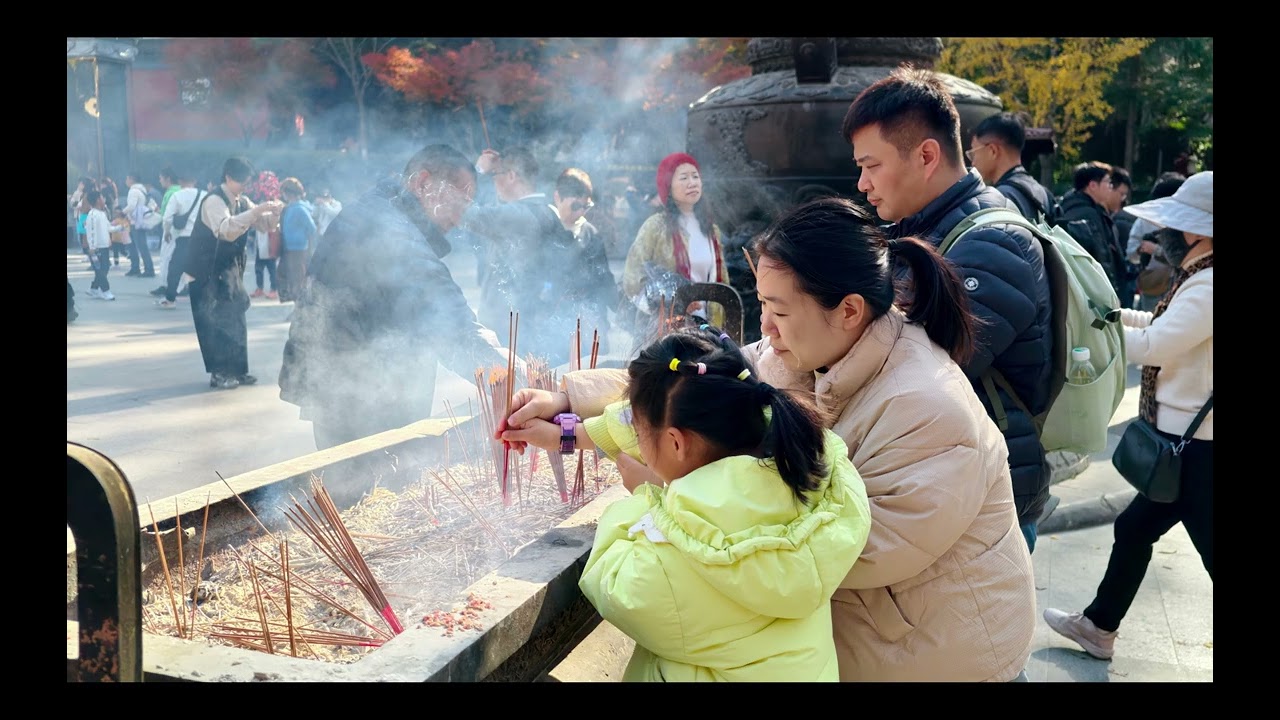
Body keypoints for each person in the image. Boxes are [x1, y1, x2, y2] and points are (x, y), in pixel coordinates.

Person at [500, 196, 1037, 682]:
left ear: (848, 310)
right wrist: (567, 413)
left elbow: (819, 553)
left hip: (939, 660)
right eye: (762, 304)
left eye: (779, 311)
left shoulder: (928, 407)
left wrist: (663, 500)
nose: (767, 328)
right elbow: (691, 389)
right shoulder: (803, 353)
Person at [507, 324, 872, 681]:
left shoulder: (667, 571)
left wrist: (646, 497)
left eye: (638, 432)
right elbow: (676, 417)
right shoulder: (810, 468)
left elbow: (611, 580)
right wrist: (565, 432)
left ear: (676, 443)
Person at [841, 66, 1054, 554]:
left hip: (984, 499)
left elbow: (910, 369)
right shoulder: (924, 228)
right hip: (945, 483)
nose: (861, 183)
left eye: (871, 165)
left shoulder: (994, 243)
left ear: (927, 155)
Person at [1044, 171, 1213, 661]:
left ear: (1197, 233)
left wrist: (1088, 338)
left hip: (1194, 448)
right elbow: (1159, 325)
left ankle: (1097, 626)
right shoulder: (1197, 277)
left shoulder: (1206, 285)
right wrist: (1112, 314)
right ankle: (1098, 627)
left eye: (1175, 229)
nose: (1167, 237)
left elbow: (1155, 345)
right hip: (1186, 444)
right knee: (1134, 529)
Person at [278, 144, 515, 451]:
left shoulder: (382, 210)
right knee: (369, 487)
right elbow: (449, 321)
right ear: (423, 183)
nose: (458, 219)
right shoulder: (386, 227)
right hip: (357, 394)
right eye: (458, 202)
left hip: (354, 384)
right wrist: (517, 386)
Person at [182, 156, 283, 390]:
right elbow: (226, 230)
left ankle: (238, 369)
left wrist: (274, 213)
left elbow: (265, 225)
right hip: (205, 271)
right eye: (242, 182)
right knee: (213, 322)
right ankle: (219, 373)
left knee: (235, 317)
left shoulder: (242, 201)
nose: (245, 187)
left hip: (229, 270)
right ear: (228, 177)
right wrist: (256, 211)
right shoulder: (214, 201)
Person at [621, 152, 728, 333]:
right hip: (665, 330)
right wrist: (672, 304)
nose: (692, 182)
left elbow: (722, 282)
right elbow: (632, 279)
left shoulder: (711, 230)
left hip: (708, 329)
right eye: (684, 178)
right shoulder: (655, 227)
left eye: (695, 176)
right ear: (668, 187)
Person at [966, 111, 1058, 223]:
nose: (973, 162)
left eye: (974, 153)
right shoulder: (1043, 192)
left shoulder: (998, 200)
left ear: (993, 151)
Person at [276, 177, 316, 303]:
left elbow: (312, 228)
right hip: (290, 250)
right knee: (292, 280)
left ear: (289, 193)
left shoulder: (300, 208)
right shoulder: (291, 207)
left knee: (298, 280)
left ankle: (300, 310)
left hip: (298, 250)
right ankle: (297, 308)